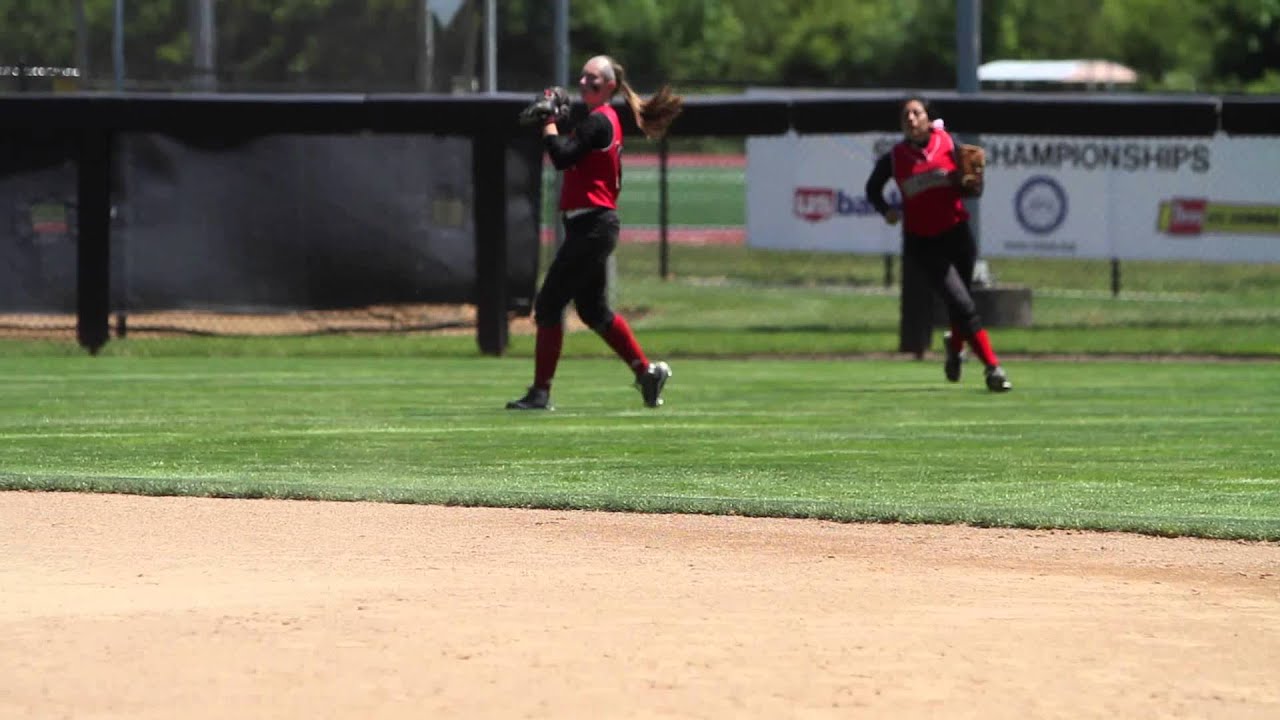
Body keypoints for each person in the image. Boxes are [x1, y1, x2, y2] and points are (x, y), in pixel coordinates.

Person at [507, 55, 684, 410]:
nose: (585, 84)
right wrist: (556, 119)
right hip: (592, 226)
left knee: (548, 305)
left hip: (592, 226)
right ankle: (646, 373)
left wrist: (548, 123)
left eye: (594, 81)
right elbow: (573, 147)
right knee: (593, 310)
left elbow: (562, 156)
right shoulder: (598, 121)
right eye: (583, 78)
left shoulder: (600, 121)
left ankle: (541, 392)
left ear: (610, 88)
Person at [865, 96, 1012, 392]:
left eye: (916, 113)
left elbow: (972, 186)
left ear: (927, 118)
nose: (911, 119)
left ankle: (955, 347)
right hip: (924, 241)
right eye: (906, 115)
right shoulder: (895, 157)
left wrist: (972, 181)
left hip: (957, 233)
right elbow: (872, 189)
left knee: (962, 304)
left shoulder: (947, 143)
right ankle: (992, 368)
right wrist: (886, 210)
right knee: (961, 303)